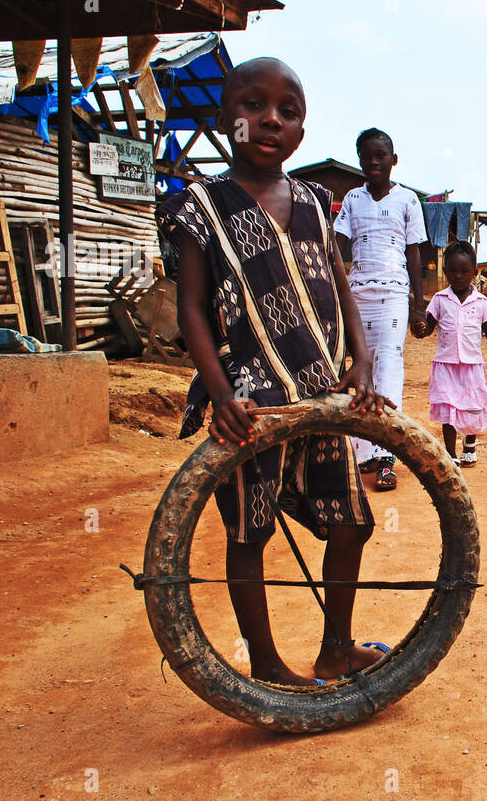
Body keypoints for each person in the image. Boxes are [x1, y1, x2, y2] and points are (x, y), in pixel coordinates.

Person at [160, 57, 391, 685]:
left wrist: (362, 360)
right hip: (251, 404)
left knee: (351, 523)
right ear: (225, 118)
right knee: (249, 534)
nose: (271, 120)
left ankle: (337, 647)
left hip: (320, 394)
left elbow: (343, 288)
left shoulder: (318, 203)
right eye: (254, 106)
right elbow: (191, 310)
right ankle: (264, 663)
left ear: (302, 131)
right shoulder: (201, 207)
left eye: (288, 111)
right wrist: (218, 392)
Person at [333, 128, 428, 492]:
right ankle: (362, 455)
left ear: (393, 160)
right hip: (356, 295)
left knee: (388, 369)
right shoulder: (353, 199)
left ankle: (388, 457)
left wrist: (418, 306)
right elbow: (336, 247)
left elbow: (414, 252)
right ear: (359, 160)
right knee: (360, 370)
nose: (373, 162)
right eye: (366, 156)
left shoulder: (407, 200)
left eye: (380, 156)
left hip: (393, 294)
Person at [413, 240, 487, 467]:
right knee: (448, 408)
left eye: (464, 271)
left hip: (472, 364)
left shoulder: (482, 302)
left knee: (472, 407)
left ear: (474, 272)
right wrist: (420, 329)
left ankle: (469, 445)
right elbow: (428, 327)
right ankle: (450, 454)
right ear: (445, 272)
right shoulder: (439, 300)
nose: (458, 276)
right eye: (453, 271)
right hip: (445, 364)